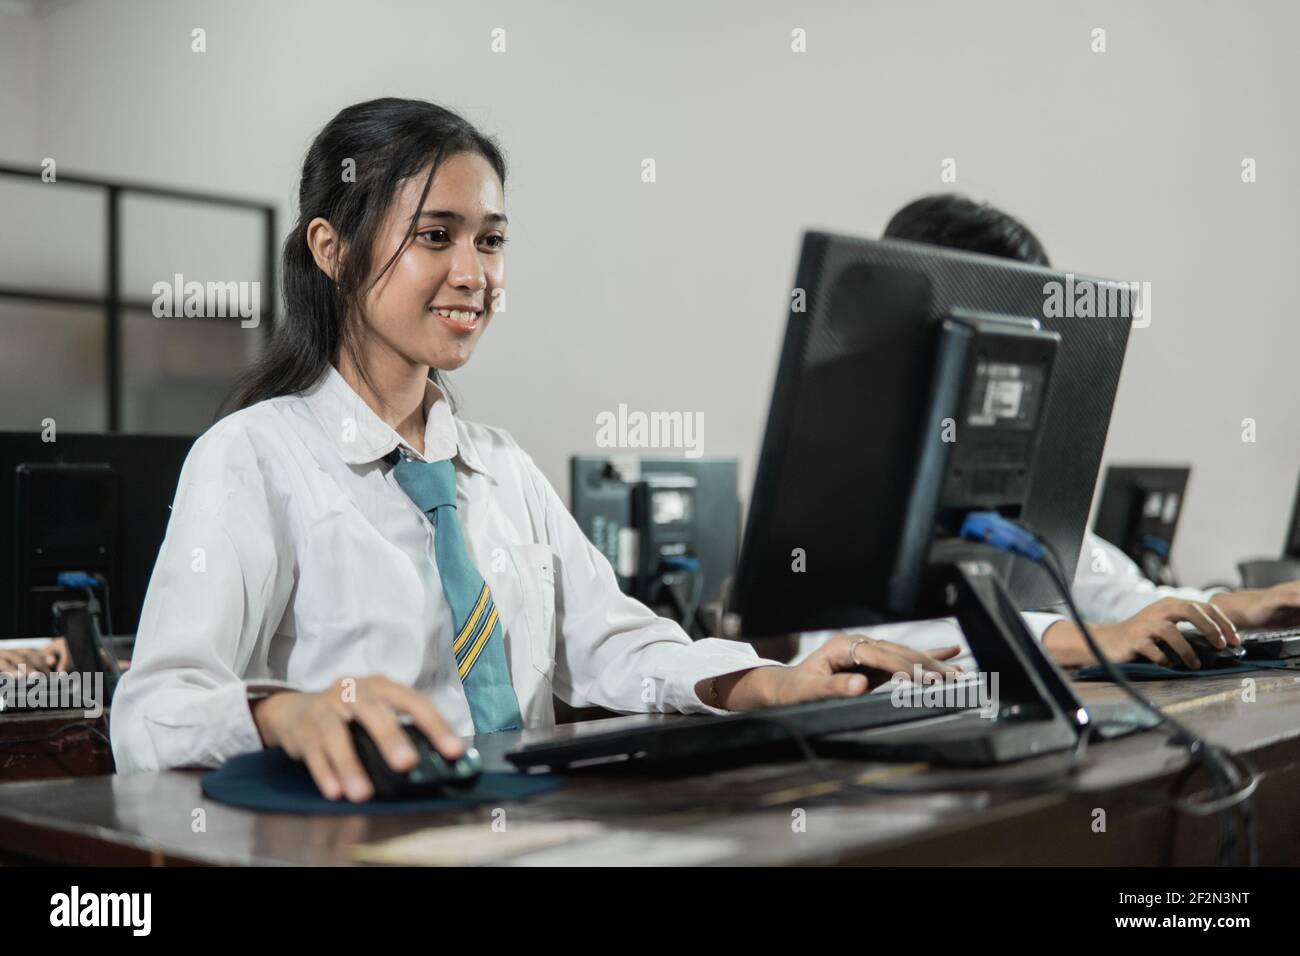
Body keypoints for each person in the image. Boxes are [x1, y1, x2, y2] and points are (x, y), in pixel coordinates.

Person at [108, 98, 962, 802]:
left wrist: (766, 683)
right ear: (332, 250)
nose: (475, 273)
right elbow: (152, 710)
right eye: (436, 236)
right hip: (355, 841)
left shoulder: (498, 467)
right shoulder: (252, 457)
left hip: (519, 825)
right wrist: (278, 713)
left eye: (491, 239)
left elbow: (617, 644)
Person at [879, 194, 1300, 667]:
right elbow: (876, 642)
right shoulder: (854, 475)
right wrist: (1091, 639)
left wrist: (1248, 609)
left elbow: (1122, 599)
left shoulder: (1008, 488)